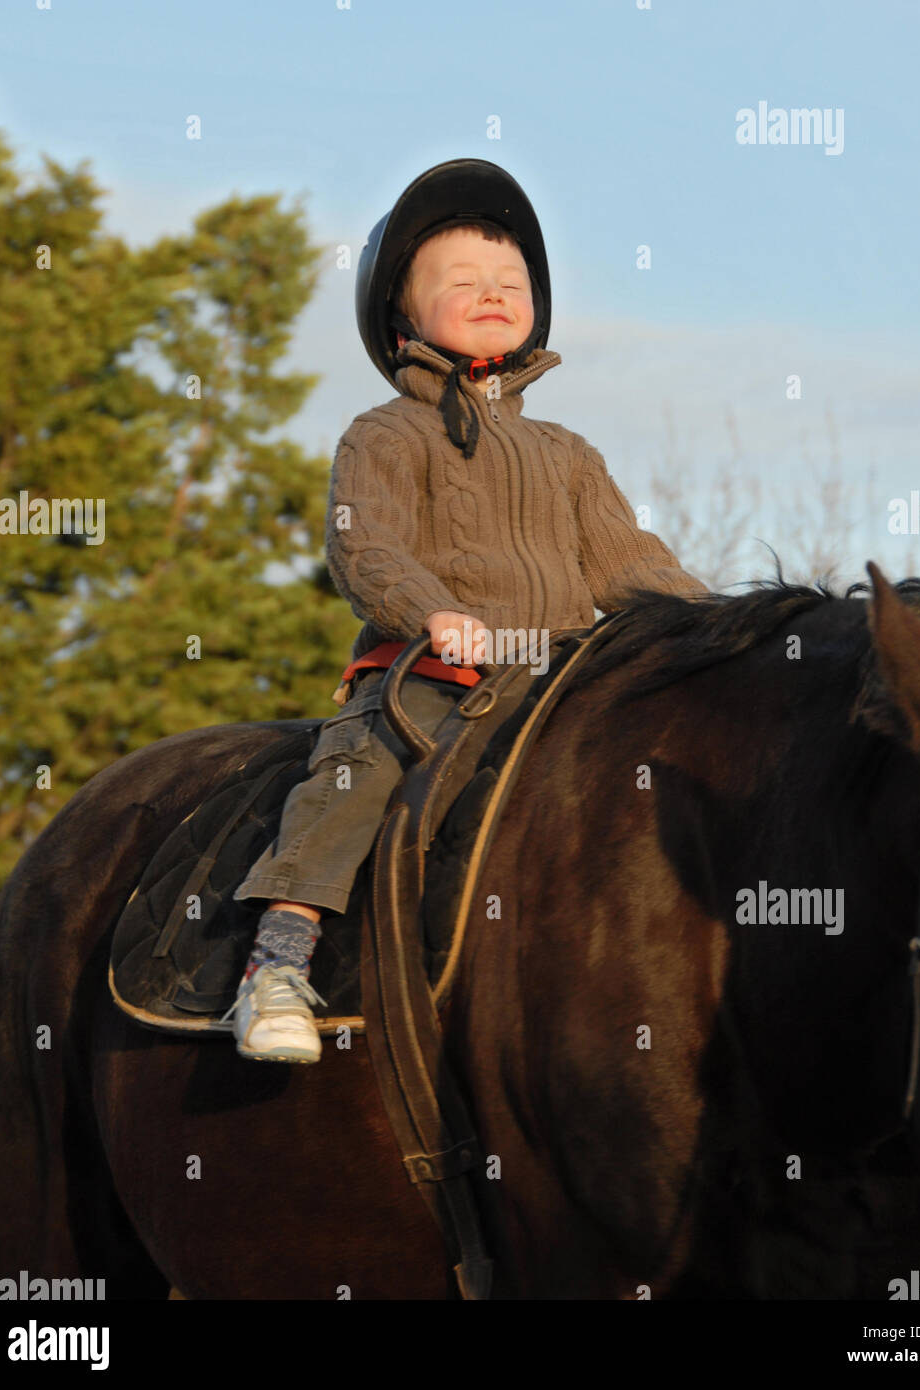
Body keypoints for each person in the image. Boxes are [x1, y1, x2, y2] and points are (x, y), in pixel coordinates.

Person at [223, 158, 707, 1063]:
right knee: (355, 774)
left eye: (511, 281)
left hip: (559, 679)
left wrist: (715, 629)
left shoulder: (567, 452)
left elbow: (629, 563)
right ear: (404, 316)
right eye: (463, 282)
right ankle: (278, 963)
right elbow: (363, 545)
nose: (494, 293)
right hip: (433, 676)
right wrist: (431, 610)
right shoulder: (384, 434)